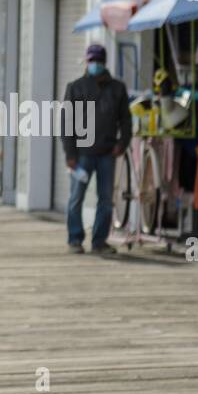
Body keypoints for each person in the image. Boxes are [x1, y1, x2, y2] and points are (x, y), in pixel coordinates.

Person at [62, 43, 131, 255]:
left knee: (105, 200)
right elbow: (67, 122)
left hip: (107, 154)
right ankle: (75, 239)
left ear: (104, 62)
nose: (95, 64)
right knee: (76, 198)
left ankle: (99, 241)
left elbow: (126, 120)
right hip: (81, 155)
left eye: (98, 60)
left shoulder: (118, 89)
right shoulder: (75, 87)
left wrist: (122, 143)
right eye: (91, 60)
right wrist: (70, 153)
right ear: (86, 61)